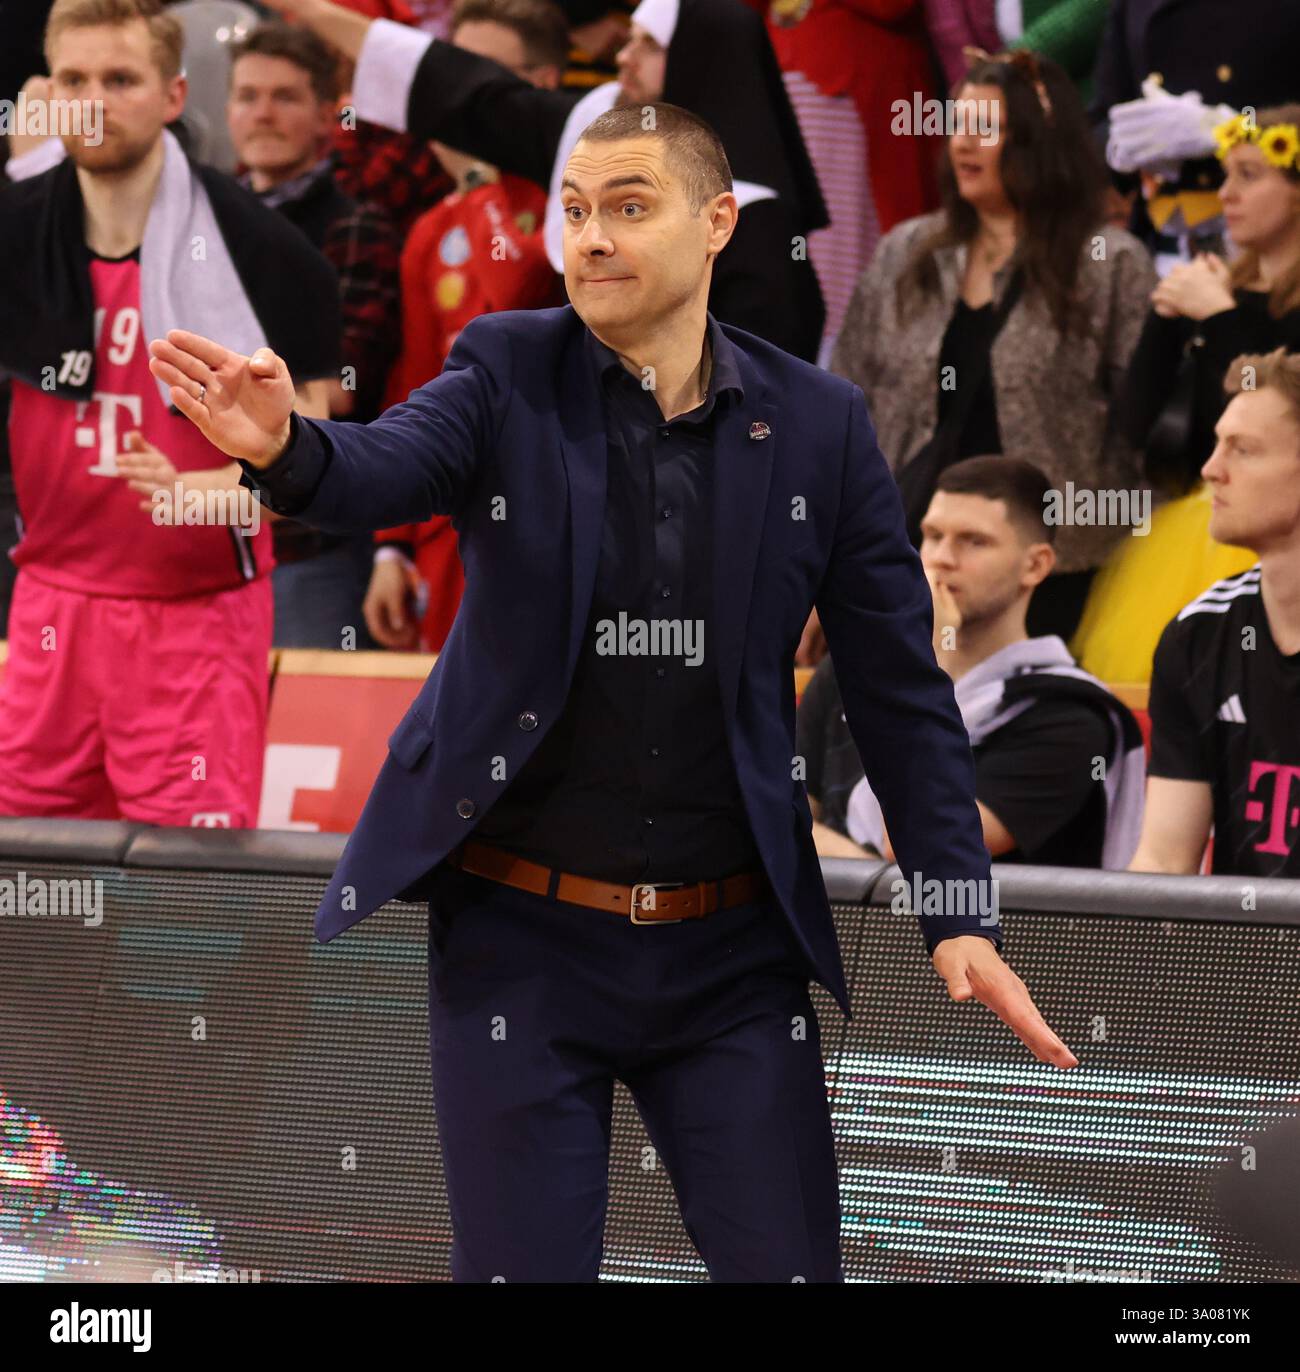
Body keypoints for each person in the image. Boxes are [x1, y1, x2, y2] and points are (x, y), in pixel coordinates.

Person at [148, 100, 1077, 1282]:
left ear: (717, 225)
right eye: (574, 211)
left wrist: (957, 906)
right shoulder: (504, 367)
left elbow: (899, 689)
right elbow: (379, 465)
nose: (588, 238)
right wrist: (286, 450)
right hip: (520, 943)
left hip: (732, 952)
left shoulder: (820, 427)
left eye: (628, 209)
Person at [0, 0, 339, 827]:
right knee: (28, 891)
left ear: (175, 94)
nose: (95, 100)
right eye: (74, 79)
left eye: (121, 79)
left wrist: (195, 495)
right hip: (48, 609)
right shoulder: (11, 230)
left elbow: (313, 470)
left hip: (195, 622)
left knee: (183, 910)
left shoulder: (269, 252)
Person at [260, 0, 830, 360]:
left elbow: (763, 396)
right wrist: (312, 11)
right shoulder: (596, 122)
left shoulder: (759, 226)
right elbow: (466, 90)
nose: (623, 58)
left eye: (648, 45)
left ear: (702, 63)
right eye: (628, 38)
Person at [832, 48, 1155, 644]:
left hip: (1061, 563)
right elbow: (850, 400)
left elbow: (1142, 422)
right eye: (955, 126)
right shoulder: (906, 252)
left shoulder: (1110, 263)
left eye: (985, 128)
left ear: (1039, 142)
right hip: (912, 551)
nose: (962, 144)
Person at [801, 457, 1145, 867]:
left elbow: (922, 845)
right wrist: (860, 870)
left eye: (973, 541)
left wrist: (925, 662)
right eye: (931, 536)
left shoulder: (1068, 716)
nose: (941, 558)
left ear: (1035, 566)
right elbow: (772, 814)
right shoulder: (846, 669)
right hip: (833, 921)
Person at [364, 0, 566, 654]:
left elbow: (519, 288)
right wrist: (391, 547)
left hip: (552, 511)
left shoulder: (580, 206)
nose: (452, 97)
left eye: (473, 75)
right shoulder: (433, 227)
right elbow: (413, 382)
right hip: (448, 526)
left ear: (541, 85)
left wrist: (478, 182)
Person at [1073, 103, 1300, 683]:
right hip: (1194, 521)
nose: (1225, 194)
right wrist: (1168, 316)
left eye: (1249, 175)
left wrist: (1220, 318)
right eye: (1226, 175)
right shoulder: (1214, 285)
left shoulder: (1229, 305)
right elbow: (1132, 421)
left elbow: (1270, 415)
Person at [227, 19, 402, 648]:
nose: (263, 114)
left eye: (286, 96)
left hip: (310, 541)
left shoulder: (356, 226)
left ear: (331, 116)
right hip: (195, 538)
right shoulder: (192, 225)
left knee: (304, 737)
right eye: (247, 96)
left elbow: (339, 389)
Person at [1129, 348, 1300, 878]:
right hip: (1241, 954)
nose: (1210, 470)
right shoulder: (1197, 635)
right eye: (1216, 444)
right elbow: (1163, 862)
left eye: (1243, 450)